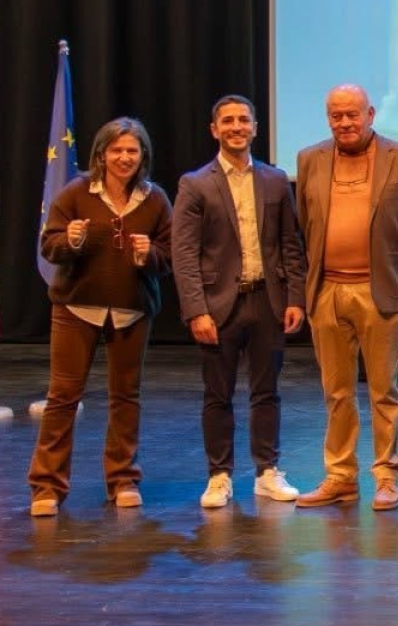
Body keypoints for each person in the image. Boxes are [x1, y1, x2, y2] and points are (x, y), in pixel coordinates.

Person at [30, 117, 173, 516]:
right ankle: (46, 486)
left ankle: (123, 478)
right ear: (101, 154)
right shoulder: (77, 192)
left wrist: (149, 256)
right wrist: (71, 240)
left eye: (132, 150)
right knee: (63, 397)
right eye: (117, 150)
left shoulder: (156, 199)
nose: (125, 157)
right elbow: (49, 245)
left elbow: (169, 256)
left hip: (131, 311)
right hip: (76, 309)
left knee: (126, 397)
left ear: (143, 156)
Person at [171, 95, 309, 508]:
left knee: (267, 392)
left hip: (267, 301)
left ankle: (267, 472)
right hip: (218, 306)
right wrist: (196, 310)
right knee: (218, 394)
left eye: (244, 120)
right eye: (228, 121)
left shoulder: (275, 180)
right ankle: (219, 476)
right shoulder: (195, 183)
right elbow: (184, 254)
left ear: (255, 128)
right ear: (215, 129)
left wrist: (296, 298)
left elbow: (291, 245)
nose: (236, 127)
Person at [293, 85, 398, 511]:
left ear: (370, 114)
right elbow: (304, 226)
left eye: (352, 114)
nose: (345, 123)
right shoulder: (309, 158)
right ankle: (340, 477)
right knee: (336, 393)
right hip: (326, 291)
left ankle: (386, 477)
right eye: (336, 116)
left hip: (379, 290)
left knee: (384, 392)